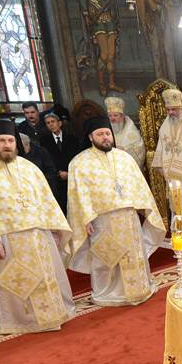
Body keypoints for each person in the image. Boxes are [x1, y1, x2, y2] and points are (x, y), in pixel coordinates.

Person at [0, 120, 75, 333]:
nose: (7, 145)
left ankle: (54, 314)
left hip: (39, 233)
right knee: (20, 280)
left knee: (47, 275)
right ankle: (24, 322)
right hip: (9, 239)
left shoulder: (29, 168)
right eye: (1, 141)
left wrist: (54, 228)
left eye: (10, 140)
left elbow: (46, 199)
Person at [66, 117, 164, 306]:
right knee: (107, 257)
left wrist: (145, 208)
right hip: (102, 220)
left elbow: (139, 184)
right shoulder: (79, 163)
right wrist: (84, 219)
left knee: (134, 253)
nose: (105, 138)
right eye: (100, 134)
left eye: (107, 133)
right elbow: (77, 194)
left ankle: (140, 288)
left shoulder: (124, 157)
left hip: (128, 216)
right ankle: (108, 293)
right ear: (90, 137)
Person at [39, 110, 81, 210]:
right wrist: (58, 173)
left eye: (52, 121)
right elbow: (45, 161)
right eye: (48, 123)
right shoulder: (44, 142)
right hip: (56, 180)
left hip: (72, 178)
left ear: (60, 123)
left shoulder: (73, 139)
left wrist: (69, 173)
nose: (51, 125)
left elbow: (77, 159)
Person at [105, 96, 146, 169]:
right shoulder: (105, 130)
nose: (112, 118)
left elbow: (139, 148)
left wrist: (125, 150)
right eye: (110, 116)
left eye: (115, 115)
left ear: (122, 116)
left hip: (127, 167)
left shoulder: (131, 130)